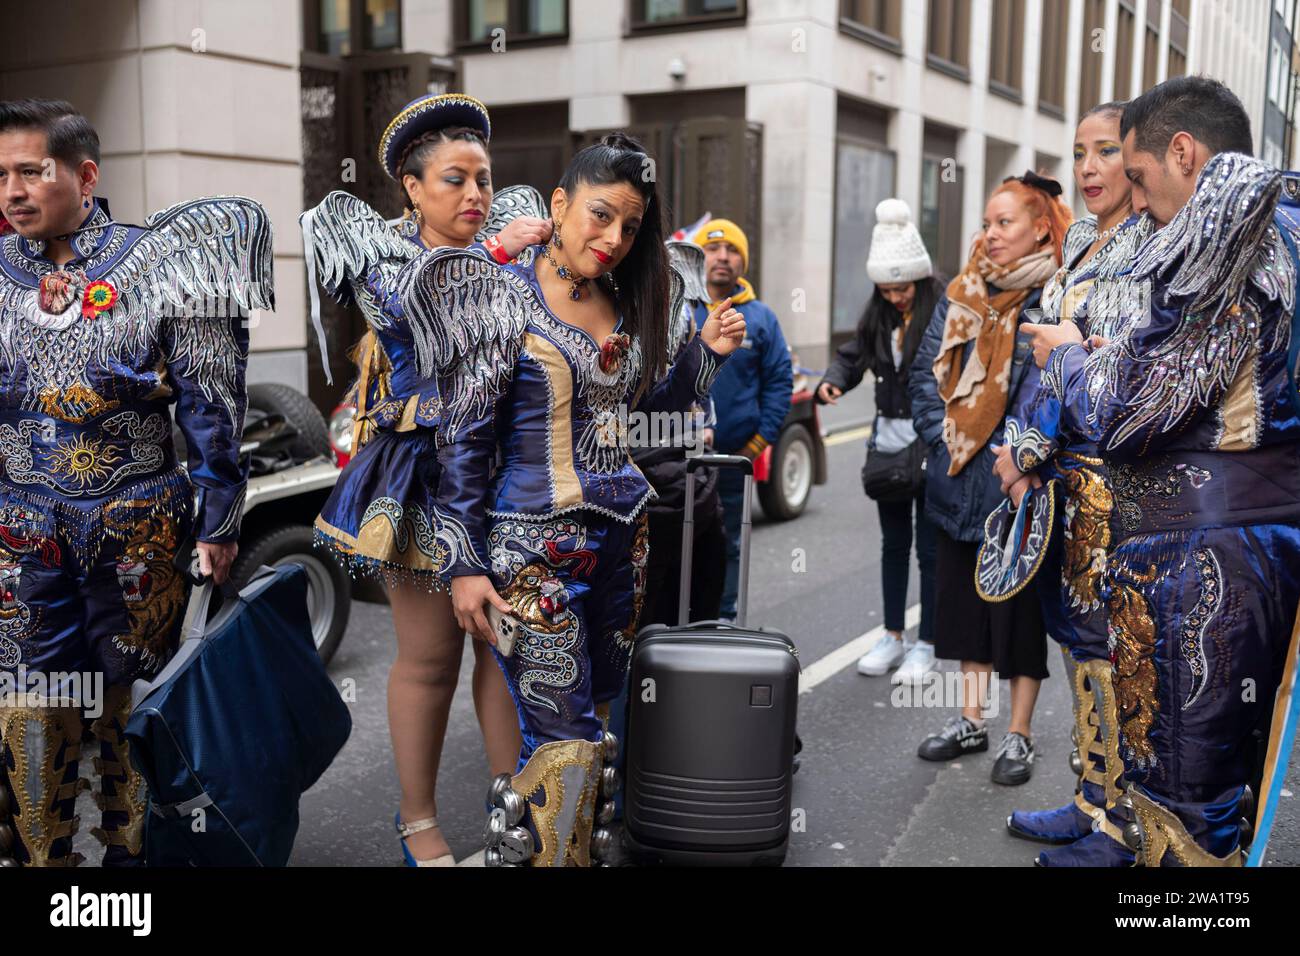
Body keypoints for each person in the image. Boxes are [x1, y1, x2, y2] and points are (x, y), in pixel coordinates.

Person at [408, 133, 745, 866]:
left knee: (594, 729)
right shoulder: (498, 295)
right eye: (600, 215)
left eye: (630, 226)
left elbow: (653, 408)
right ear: (559, 205)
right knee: (562, 740)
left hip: (625, 541)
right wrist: (463, 562)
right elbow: (463, 442)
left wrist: (704, 357)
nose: (615, 238)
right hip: (533, 551)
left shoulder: (627, 299)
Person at [1021, 76, 1300, 866]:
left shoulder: (1230, 233)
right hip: (1249, 541)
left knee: (1184, 799)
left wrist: (1073, 358)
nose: (1138, 204)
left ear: (1184, 152)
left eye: (1136, 175)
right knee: (1220, 778)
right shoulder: (1287, 225)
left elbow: (1125, 417)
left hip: (1206, 555)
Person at [0, 99, 271, 865]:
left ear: (84, 175)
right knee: (27, 705)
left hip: (138, 534)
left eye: (30, 171)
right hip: (20, 534)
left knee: (131, 707)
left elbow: (212, 403)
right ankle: (43, 863)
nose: (12, 191)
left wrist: (220, 519)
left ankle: (129, 868)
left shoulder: (163, 261)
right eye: (0, 176)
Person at [304, 93, 548, 866]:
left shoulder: (511, 248)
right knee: (432, 657)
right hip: (423, 475)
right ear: (411, 188)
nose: (474, 194)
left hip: (510, 470)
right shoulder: (383, 259)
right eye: (453, 180)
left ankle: (514, 811)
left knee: (506, 650)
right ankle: (419, 824)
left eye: (482, 177)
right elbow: (421, 310)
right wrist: (502, 255)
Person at [991, 103, 1155, 865]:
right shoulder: (1086, 244)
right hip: (1062, 481)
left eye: (1106, 152)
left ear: (1140, 159)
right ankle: (1091, 794)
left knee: (1112, 648)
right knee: (1076, 643)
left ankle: (1121, 823)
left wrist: (1023, 448)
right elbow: (1046, 362)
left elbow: (1101, 372)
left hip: (1109, 486)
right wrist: (1020, 451)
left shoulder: (1151, 249)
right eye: (1079, 153)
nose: (1089, 168)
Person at [909, 172, 1071, 786]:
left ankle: (1019, 734)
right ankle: (971, 719)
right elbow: (927, 378)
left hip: (1019, 486)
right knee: (964, 611)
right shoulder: (963, 294)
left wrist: (1022, 459)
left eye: (1005, 222)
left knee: (1019, 613)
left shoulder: (1053, 298)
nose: (991, 233)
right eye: (987, 222)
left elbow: (1054, 390)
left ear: (1038, 226)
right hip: (955, 477)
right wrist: (942, 437)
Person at [817, 199, 943, 683]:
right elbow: (852, 357)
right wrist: (833, 381)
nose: (895, 297)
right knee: (894, 545)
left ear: (920, 280)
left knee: (930, 551)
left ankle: (927, 644)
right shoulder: (879, 317)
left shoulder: (944, 311)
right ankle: (894, 636)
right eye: (886, 290)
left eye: (902, 288)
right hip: (890, 445)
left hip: (934, 444)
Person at [690, 219, 792, 622]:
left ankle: (724, 619)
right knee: (680, 542)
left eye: (731, 250)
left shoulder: (762, 318)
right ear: (700, 256)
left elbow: (779, 383)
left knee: (728, 542)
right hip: (680, 459)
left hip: (733, 460)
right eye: (713, 249)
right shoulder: (682, 306)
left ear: (742, 262)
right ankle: (683, 620)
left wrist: (756, 445)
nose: (722, 257)